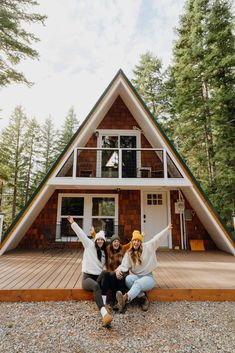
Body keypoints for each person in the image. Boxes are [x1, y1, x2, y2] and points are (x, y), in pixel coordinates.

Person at [115, 224, 172, 312]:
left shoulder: (148, 247)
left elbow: (157, 238)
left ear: (141, 242)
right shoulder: (129, 253)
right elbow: (124, 265)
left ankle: (124, 300)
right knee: (128, 279)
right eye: (135, 240)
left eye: (138, 240)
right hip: (137, 277)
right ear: (132, 241)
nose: (136, 242)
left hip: (148, 277)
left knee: (137, 283)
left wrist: (167, 229)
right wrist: (118, 270)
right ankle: (143, 298)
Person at [67, 216, 112, 327]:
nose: (100, 241)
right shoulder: (89, 245)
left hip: (98, 276)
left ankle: (104, 304)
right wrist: (73, 223)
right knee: (96, 285)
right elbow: (80, 233)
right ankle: (104, 314)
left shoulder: (103, 253)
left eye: (102, 239)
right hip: (87, 278)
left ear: (104, 241)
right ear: (95, 240)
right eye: (98, 239)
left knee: (106, 274)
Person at [97, 234, 130, 307]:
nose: (116, 243)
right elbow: (99, 243)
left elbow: (130, 244)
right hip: (111, 272)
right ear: (112, 243)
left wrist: (140, 236)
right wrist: (94, 234)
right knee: (109, 275)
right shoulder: (108, 248)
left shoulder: (123, 248)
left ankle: (119, 301)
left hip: (122, 271)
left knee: (120, 276)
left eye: (118, 241)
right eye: (114, 241)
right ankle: (105, 301)